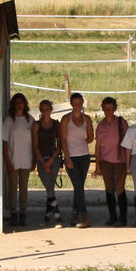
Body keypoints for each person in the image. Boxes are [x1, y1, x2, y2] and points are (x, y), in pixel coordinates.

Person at [57, 92, 94, 228]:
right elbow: (63, 140)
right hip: (71, 156)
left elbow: (90, 138)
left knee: (79, 187)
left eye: (80, 104)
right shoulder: (66, 119)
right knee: (78, 186)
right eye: (75, 104)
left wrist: (80, 141)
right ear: (71, 104)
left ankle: (74, 214)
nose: (78, 106)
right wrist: (67, 157)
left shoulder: (87, 119)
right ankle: (84, 215)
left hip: (84, 156)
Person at [93, 97, 130, 227]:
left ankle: (123, 218)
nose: (108, 111)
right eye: (106, 109)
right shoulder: (101, 125)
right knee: (109, 189)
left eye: (111, 109)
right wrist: (97, 165)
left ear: (115, 109)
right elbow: (98, 146)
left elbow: (128, 143)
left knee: (120, 189)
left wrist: (128, 164)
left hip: (120, 160)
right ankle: (112, 216)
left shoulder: (121, 122)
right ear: (103, 109)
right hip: (106, 161)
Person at [1, 93, 34, 227]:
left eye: (21, 102)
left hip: (27, 158)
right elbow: (4, 142)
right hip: (12, 158)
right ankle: (14, 214)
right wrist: (7, 161)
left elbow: (34, 142)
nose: (19, 104)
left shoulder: (30, 120)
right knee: (13, 188)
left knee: (24, 187)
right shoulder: (9, 120)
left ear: (25, 104)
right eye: (16, 102)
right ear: (13, 105)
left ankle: (23, 214)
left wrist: (34, 159)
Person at [32, 99, 62, 225]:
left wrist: (50, 161)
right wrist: (43, 163)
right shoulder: (36, 125)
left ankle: (47, 217)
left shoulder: (56, 124)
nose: (45, 111)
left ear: (51, 109)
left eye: (47, 108)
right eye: (42, 109)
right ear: (40, 110)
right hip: (41, 159)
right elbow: (35, 146)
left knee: (50, 189)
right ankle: (57, 216)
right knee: (50, 189)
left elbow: (59, 145)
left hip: (54, 159)